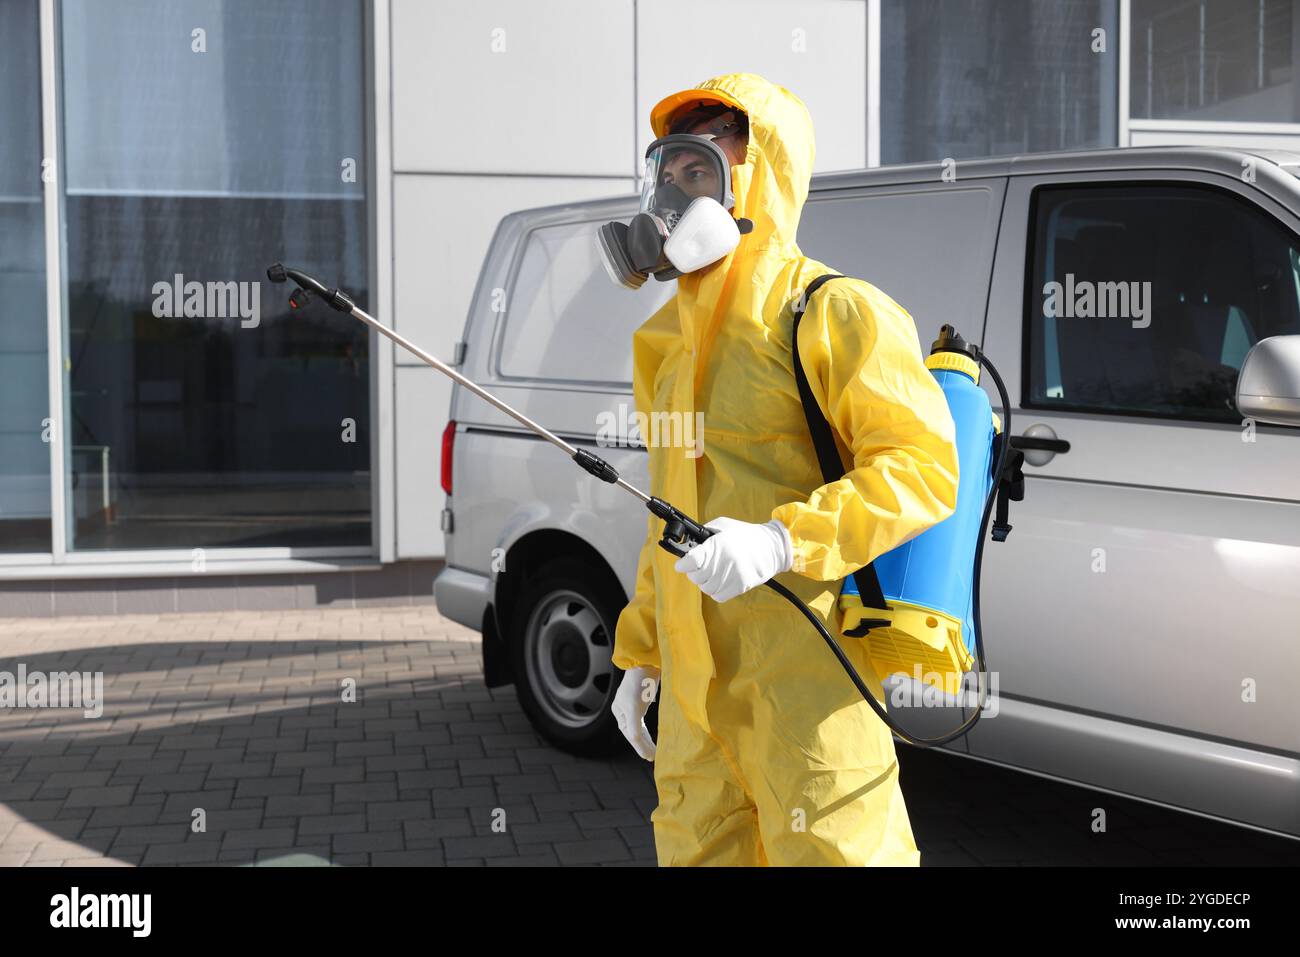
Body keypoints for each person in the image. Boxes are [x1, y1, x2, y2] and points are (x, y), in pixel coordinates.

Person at [610, 73, 960, 867]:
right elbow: (663, 513)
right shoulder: (666, 345)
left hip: (809, 690)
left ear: (756, 175)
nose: (672, 196)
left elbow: (922, 465)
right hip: (697, 714)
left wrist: (780, 540)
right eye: (666, 175)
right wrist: (642, 654)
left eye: (697, 171)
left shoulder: (833, 310)